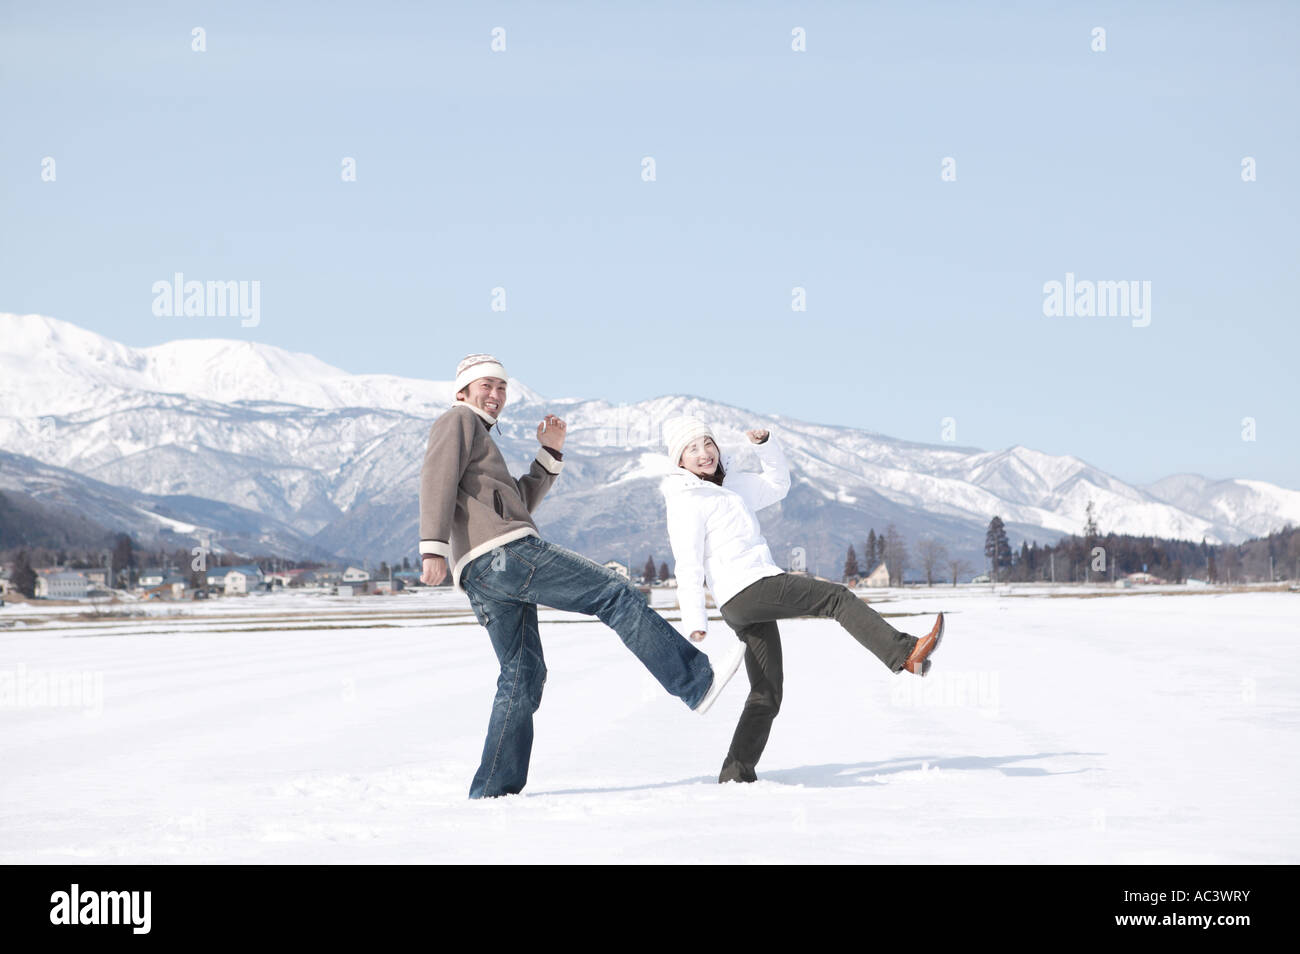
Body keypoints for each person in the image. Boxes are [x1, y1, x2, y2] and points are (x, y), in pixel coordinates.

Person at [419, 356, 745, 799]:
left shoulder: (480, 438)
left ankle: (493, 791)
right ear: (462, 391)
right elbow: (435, 480)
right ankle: (694, 681)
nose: (494, 394)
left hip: (484, 570)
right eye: (485, 386)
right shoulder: (457, 421)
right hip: (506, 555)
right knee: (614, 592)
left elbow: (515, 505)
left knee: (522, 675)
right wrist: (433, 547)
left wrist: (549, 453)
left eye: (501, 387)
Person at [659, 415, 945, 784]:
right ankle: (905, 653)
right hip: (747, 588)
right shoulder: (687, 500)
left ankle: (736, 774)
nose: (704, 453)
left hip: (748, 597)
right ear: (679, 461)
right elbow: (688, 562)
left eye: (707, 443)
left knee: (767, 690)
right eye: (692, 449)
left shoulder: (733, 485)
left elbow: (778, 485)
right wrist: (695, 621)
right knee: (836, 598)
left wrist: (766, 447)